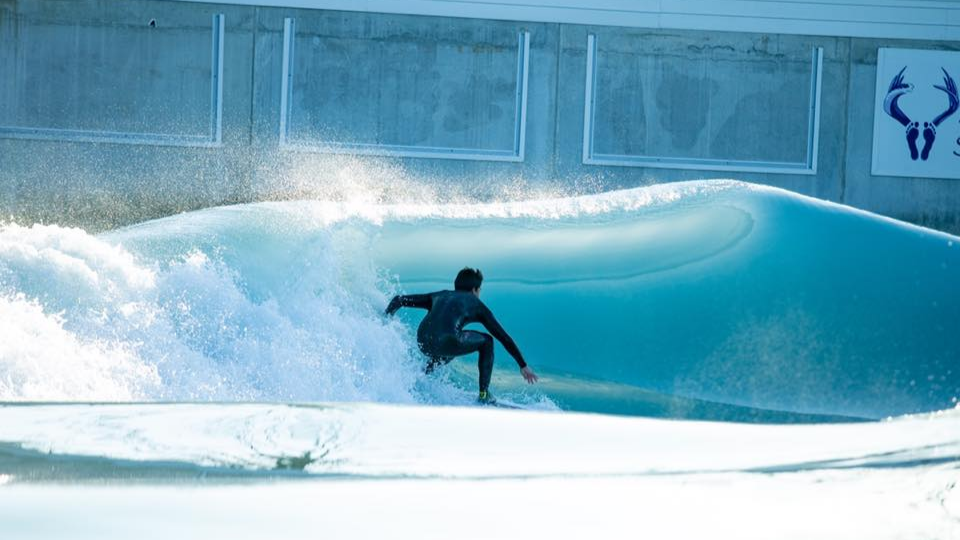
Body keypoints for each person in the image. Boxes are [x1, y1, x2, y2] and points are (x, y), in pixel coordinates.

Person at [385, 267, 538, 403]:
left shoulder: (440, 295)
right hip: (447, 340)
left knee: (448, 351)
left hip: (423, 341)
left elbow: (398, 300)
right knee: (487, 341)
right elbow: (502, 336)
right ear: (474, 290)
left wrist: (384, 321)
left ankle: (418, 378)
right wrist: (523, 365)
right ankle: (484, 394)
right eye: (480, 290)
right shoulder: (476, 304)